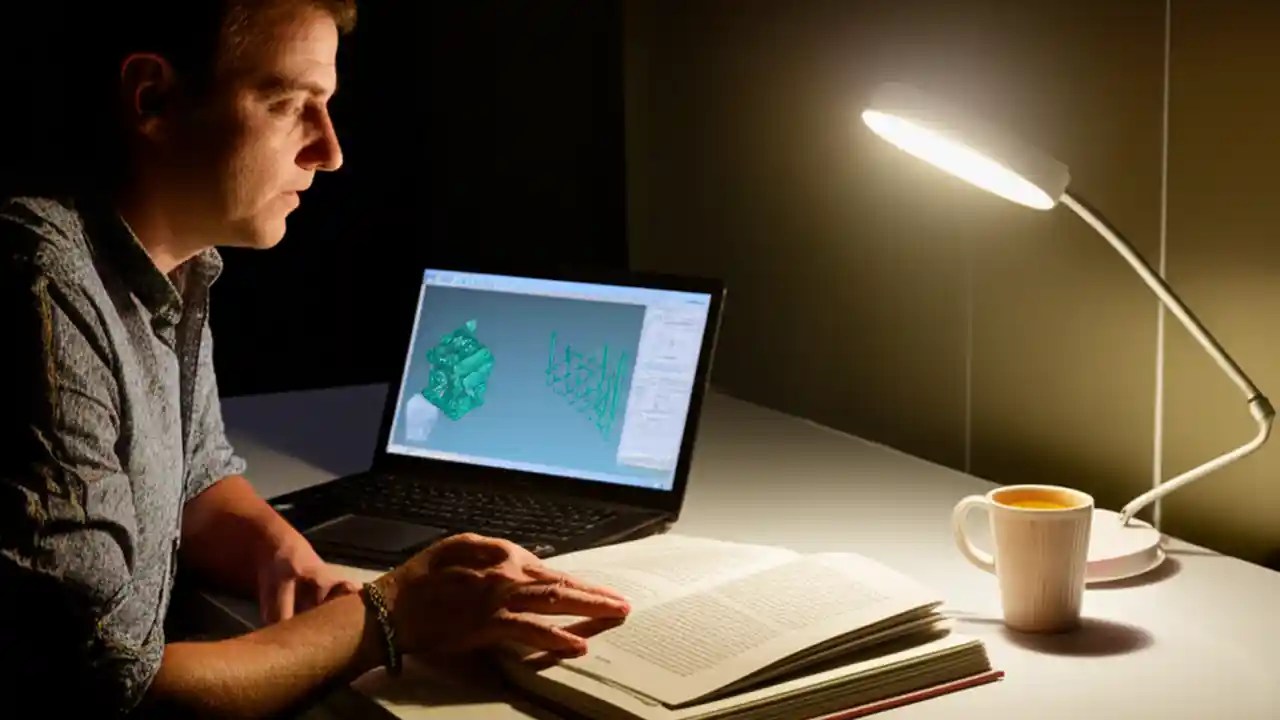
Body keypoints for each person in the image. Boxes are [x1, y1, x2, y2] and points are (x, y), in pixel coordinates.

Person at [0, 1, 630, 717]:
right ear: (154, 98)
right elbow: (108, 692)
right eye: (287, 105)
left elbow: (194, 479)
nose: (328, 151)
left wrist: (285, 556)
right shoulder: (42, 291)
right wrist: (387, 615)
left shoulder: (177, 261)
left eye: (325, 107)